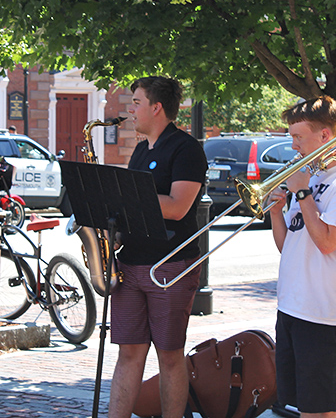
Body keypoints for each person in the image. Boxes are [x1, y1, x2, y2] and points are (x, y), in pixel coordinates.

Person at [267, 96, 336, 418]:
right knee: (313, 408)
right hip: (293, 306)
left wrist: (302, 194)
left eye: (299, 136)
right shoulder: (311, 177)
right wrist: (275, 213)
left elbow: (328, 242)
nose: (293, 144)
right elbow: (290, 247)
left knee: (321, 409)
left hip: (326, 314)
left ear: (325, 135)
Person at [108, 76, 208, 418]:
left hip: (169, 264)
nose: (131, 110)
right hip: (131, 263)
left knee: (169, 353)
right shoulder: (139, 149)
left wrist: (127, 195)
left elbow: (179, 206)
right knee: (129, 352)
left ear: (156, 107)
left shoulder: (186, 148)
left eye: (136, 102)